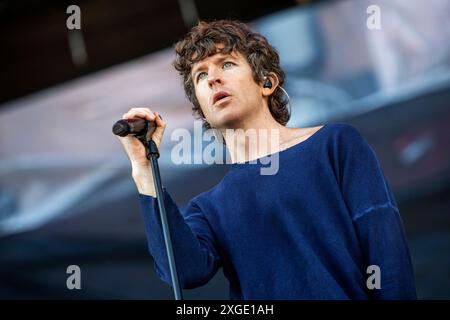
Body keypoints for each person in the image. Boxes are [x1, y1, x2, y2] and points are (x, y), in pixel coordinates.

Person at [117, 20, 417, 299]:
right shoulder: (209, 208)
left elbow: (386, 252)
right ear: (202, 111)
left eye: (227, 63)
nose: (213, 79)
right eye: (201, 75)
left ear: (267, 83)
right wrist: (143, 170)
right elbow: (183, 271)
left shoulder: (335, 145)